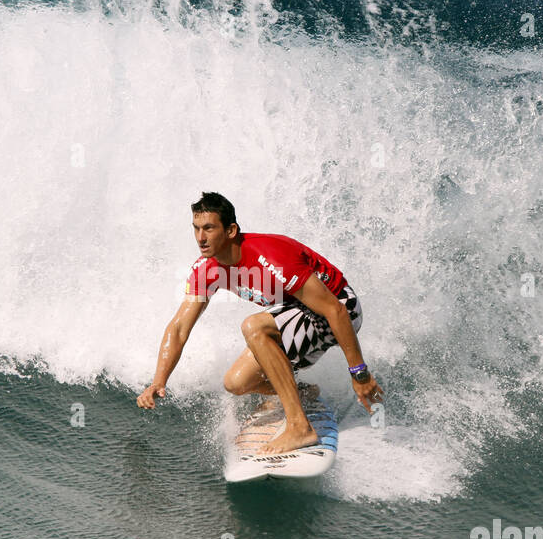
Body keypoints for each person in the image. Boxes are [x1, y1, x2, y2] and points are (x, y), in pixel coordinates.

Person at [136, 191, 383, 454]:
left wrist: (360, 373)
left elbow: (336, 311)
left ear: (231, 230)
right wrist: (158, 381)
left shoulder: (270, 257)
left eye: (209, 228)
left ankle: (300, 427)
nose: (201, 238)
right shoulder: (206, 268)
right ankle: (300, 393)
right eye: (196, 228)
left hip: (341, 307)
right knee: (236, 383)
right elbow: (178, 328)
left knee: (254, 326)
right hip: (298, 311)